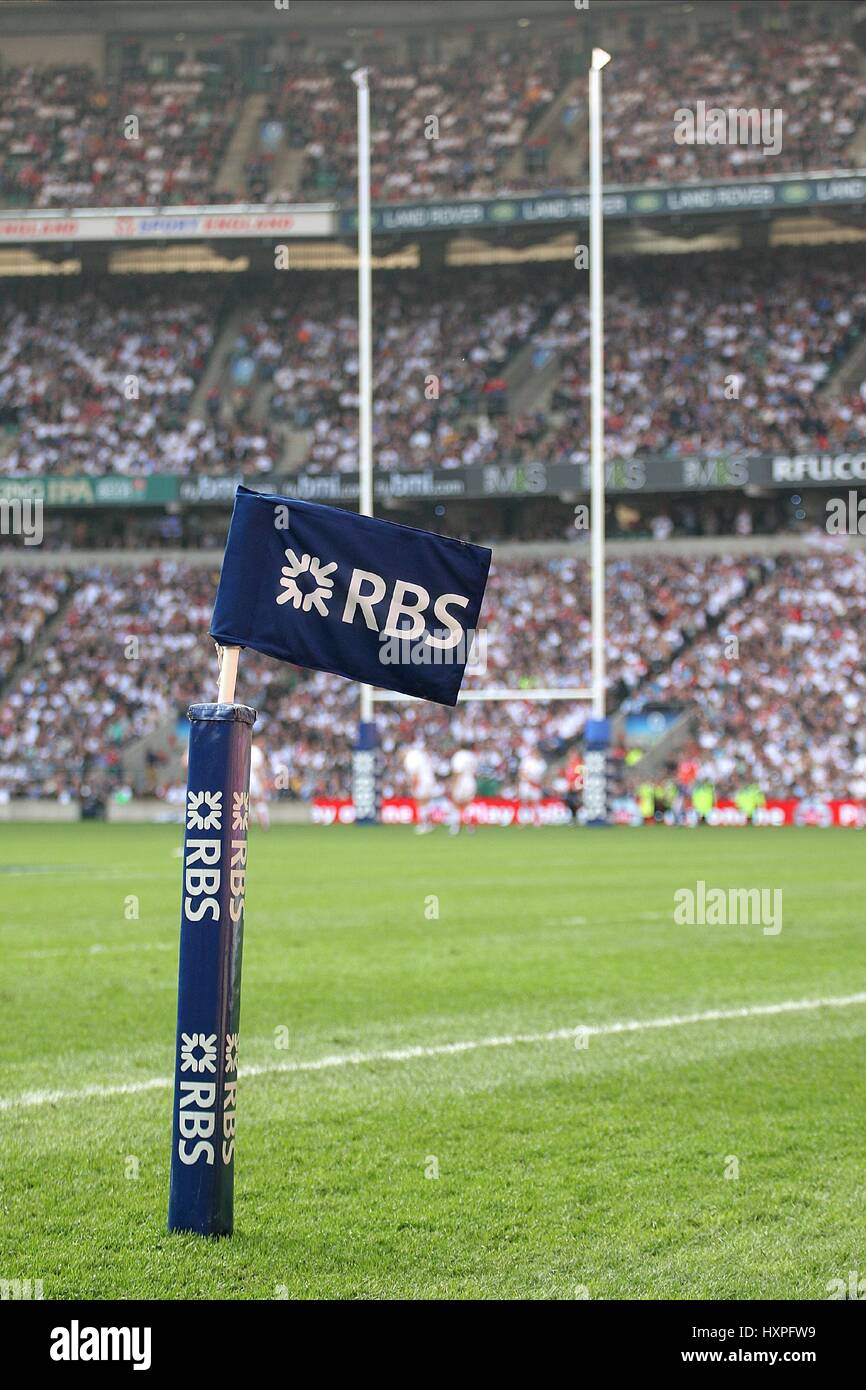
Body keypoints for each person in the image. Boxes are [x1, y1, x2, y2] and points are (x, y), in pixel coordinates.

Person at [404, 746, 436, 833]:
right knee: (426, 803)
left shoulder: (410, 758)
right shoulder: (419, 755)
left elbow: (415, 775)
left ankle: (423, 825)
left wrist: (414, 787)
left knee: (421, 803)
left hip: (422, 782)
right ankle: (429, 823)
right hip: (429, 779)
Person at [448, 747, 477, 834]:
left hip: (461, 782)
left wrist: (453, 784)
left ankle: (455, 827)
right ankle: (470, 827)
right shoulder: (472, 756)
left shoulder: (458, 756)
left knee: (456, 804)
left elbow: (457, 771)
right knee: (468, 804)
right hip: (471, 781)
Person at [249, 741, 271, 830]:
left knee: (247, 803)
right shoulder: (257, 751)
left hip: (246, 779)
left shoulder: (247, 748)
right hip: (254, 781)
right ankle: (264, 824)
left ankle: (246, 826)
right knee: (259, 801)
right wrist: (263, 781)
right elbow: (258, 768)